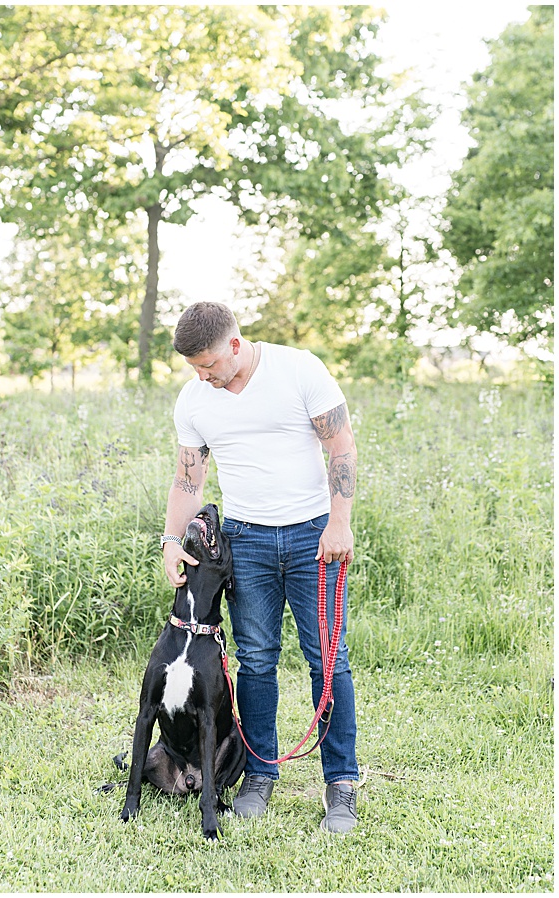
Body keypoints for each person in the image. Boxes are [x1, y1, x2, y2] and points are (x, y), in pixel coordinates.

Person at [160, 301, 359, 835]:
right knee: (254, 659)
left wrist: (339, 522)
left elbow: (340, 446)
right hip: (244, 540)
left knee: (327, 658)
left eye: (209, 365)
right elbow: (188, 481)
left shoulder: (299, 370)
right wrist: (171, 540)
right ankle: (260, 775)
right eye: (194, 369)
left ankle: (340, 784)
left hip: (312, 535)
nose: (203, 376)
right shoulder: (195, 398)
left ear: (234, 344)